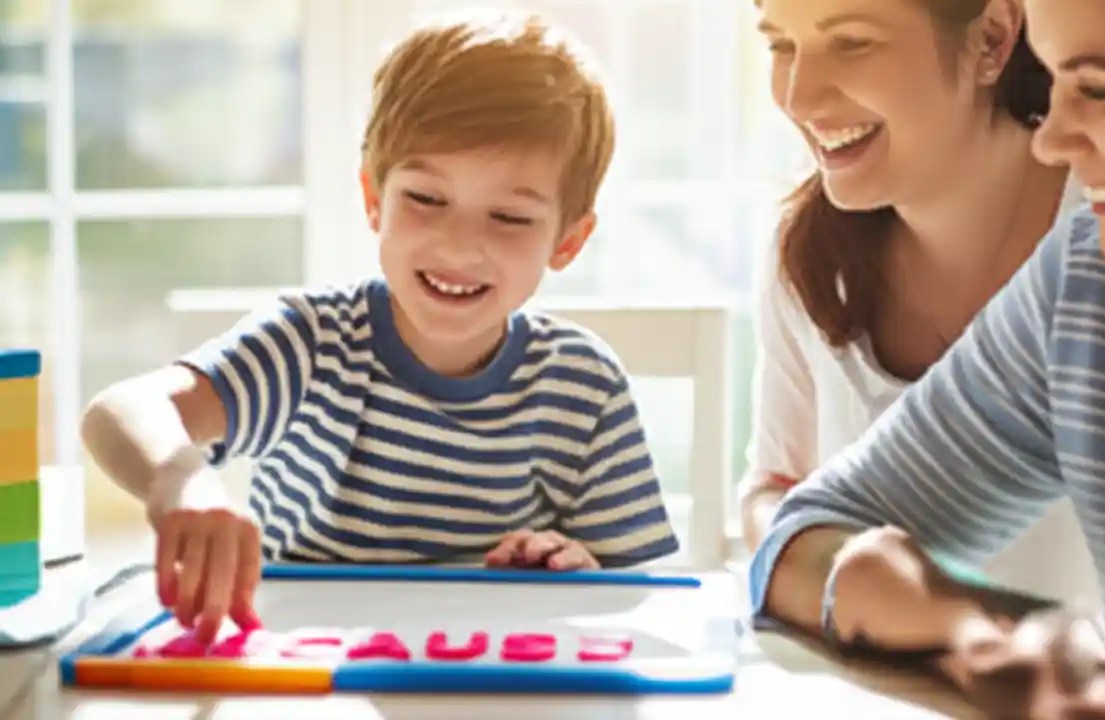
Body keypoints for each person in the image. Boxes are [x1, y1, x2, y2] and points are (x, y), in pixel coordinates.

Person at [750, 0, 1105, 716]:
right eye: (1057, 82)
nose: (1053, 140)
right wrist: (996, 635)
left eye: (1100, 89)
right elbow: (806, 532)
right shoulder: (1095, 290)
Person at [79, 13, 680, 645]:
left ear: (568, 241)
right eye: (426, 199)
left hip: (495, 683)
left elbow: (634, 598)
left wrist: (578, 575)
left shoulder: (584, 388)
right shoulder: (310, 345)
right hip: (307, 671)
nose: (459, 244)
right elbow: (117, 412)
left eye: (508, 216)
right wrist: (184, 482)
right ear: (374, 199)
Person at [740, 0, 1074, 550]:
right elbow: (776, 484)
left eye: (852, 43)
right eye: (781, 45)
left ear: (990, 39)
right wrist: (823, 568)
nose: (799, 98)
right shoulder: (805, 257)